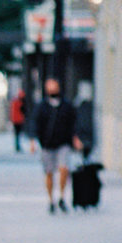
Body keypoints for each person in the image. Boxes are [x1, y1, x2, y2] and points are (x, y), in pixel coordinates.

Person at [31, 77, 80, 214]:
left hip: (63, 143)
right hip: (47, 144)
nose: (52, 89)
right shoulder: (42, 106)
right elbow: (35, 124)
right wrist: (33, 141)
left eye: (54, 86)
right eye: (49, 86)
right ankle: (51, 199)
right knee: (49, 173)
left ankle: (62, 197)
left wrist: (75, 138)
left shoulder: (66, 105)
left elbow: (74, 123)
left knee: (64, 169)